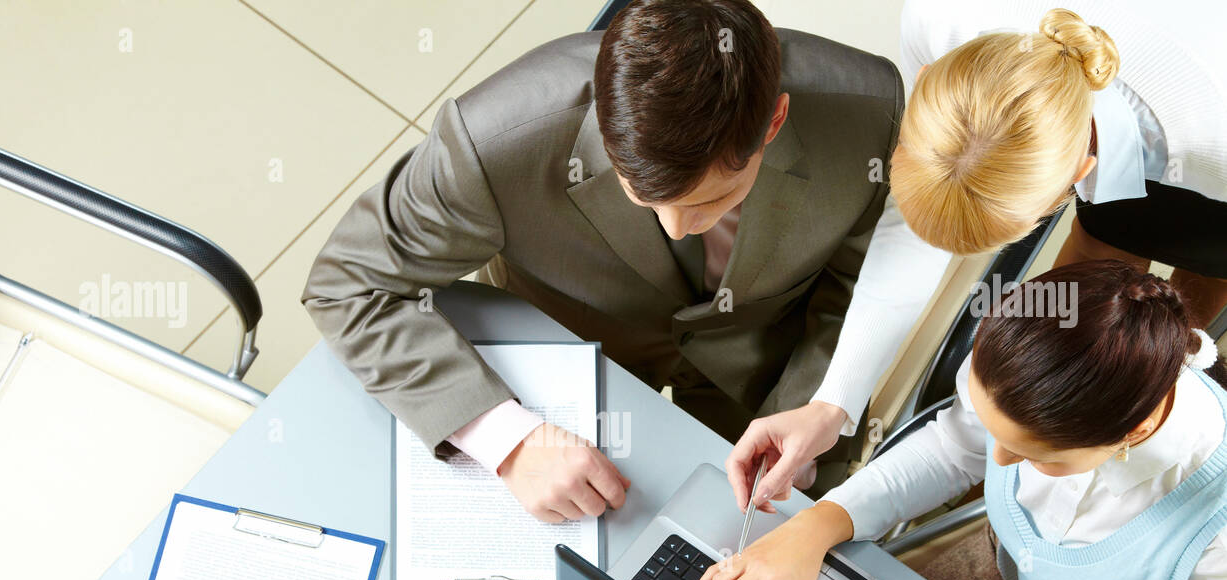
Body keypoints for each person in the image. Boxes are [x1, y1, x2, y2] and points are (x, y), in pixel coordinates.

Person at [302, 0, 929, 522]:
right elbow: (347, 285)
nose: (679, 227)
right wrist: (510, 442)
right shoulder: (494, 139)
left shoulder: (870, 115)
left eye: (713, 200)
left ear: (774, 123)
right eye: (646, 197)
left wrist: (810, 406)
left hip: (774, 379)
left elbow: (857, 279)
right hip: (563, 377)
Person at [694, 261, 1227, 580]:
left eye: (1033, 456)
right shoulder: (1025, 361)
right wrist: (816, 525)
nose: (997, 463)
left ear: (1132, 434)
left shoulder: (1215, 516)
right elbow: (955, 448)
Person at [726, 0, 1227, 515]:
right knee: (1094, 284)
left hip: (1213, 148)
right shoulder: (940, 18)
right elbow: (920, 229)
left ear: (1081, 171)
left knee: (1207, 277)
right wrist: (832, 405)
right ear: (926, 81)